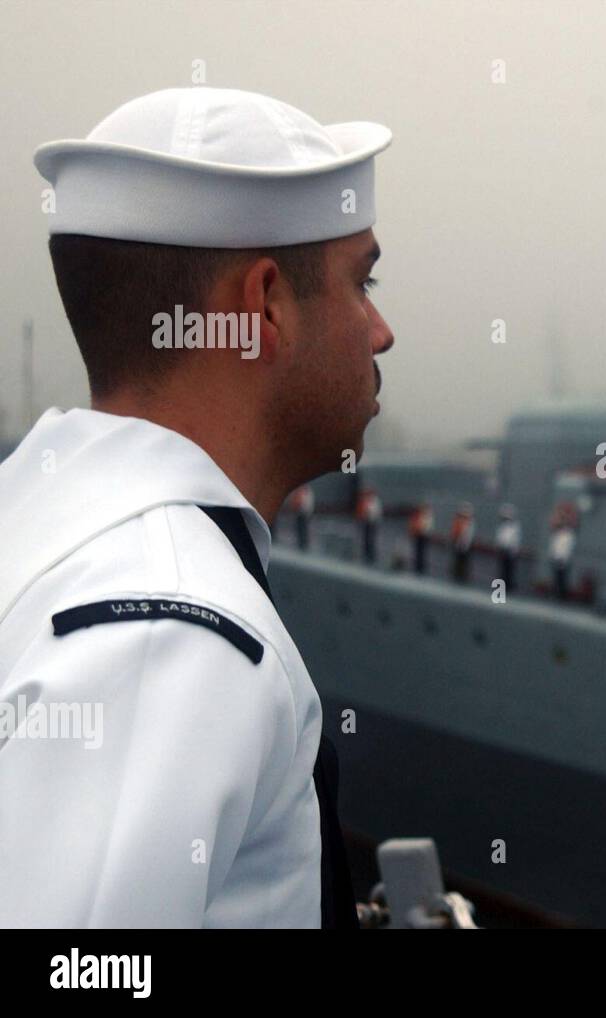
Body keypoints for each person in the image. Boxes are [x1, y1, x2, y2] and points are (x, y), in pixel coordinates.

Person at [0, 87, 393, 928]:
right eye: (362, 282)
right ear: (262, 308)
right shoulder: (168, 638)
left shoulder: (37, 517)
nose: (382, 329)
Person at [548, 515, 576, 601]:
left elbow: (568, 548)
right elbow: (554, 545)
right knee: (556, 577)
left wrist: (564, 559)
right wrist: (552, 555)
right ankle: (556, 593)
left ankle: (561, 595)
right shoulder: (558, 534)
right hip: (556, 557)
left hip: (563, 559)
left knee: (562, 577)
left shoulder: (569, 535)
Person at [495, 504, 521, 592]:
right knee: (503, 569)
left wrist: (509, 549)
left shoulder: (514, 527)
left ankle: (508, 586)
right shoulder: (504, 526)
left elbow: (511, 540)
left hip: (509, 551)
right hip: (504, 550)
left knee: (508, 570)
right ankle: (502, 585)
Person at [449, 502, 475, 584]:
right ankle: (458, 573)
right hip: (459, 544)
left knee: (463, 560)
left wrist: (464, 544)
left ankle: (462, 574)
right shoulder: (461, 521)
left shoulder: (469, 523)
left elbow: (467, 535)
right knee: (458, 559)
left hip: (464, 545)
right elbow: (456, 532)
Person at [356, 487, 383, 565]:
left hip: (372, 522)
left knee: (371, 539)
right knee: (366, 538)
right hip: (367, 521)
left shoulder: (375, 502)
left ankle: (371, 554)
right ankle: (366, 552)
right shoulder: (367, 501)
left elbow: (375, 512)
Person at [408, 501, 434, 576]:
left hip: (423, 536)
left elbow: (425, 527)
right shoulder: (422, 516)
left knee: (421, 553)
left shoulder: (428, 517)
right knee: (418, 552)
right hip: (419, 535)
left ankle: (421, 568)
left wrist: (419, 529)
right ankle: (417, 567)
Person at [290, 483, 315, 551]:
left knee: (303, 529)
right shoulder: (300, 492)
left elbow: (307, 503)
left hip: (304, 513)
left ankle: (304, 543)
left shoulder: (306, 493)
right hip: (300, 513)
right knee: (300, 528)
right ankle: (301, 543)